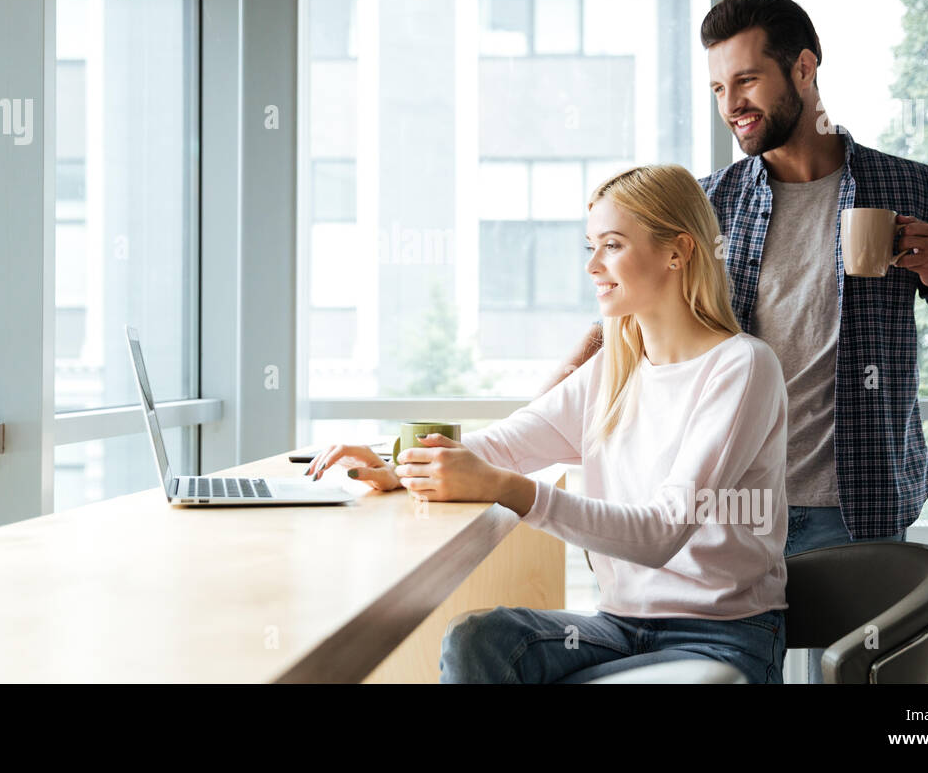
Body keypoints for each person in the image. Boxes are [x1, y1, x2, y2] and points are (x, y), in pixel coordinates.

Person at [544, 0, 928, 682]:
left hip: (859, 506)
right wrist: (515, 430)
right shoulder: (711, 205)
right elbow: (616, 333)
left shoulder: (905, 187)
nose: (730, 102)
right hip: (724, 507)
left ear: (803, 69)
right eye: (716, 87)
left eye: (745, 81)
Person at [305, 164, 790, 683]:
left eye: (612, 245)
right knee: (479, 641)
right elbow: (507, 444)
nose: (593, 266)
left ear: (678, 251)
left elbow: (661, 533)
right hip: (621, 627)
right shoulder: (616, 368)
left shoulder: (742, 367)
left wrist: (508, 490)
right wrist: (402, 466)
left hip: (721, 637)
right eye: (591, 247)